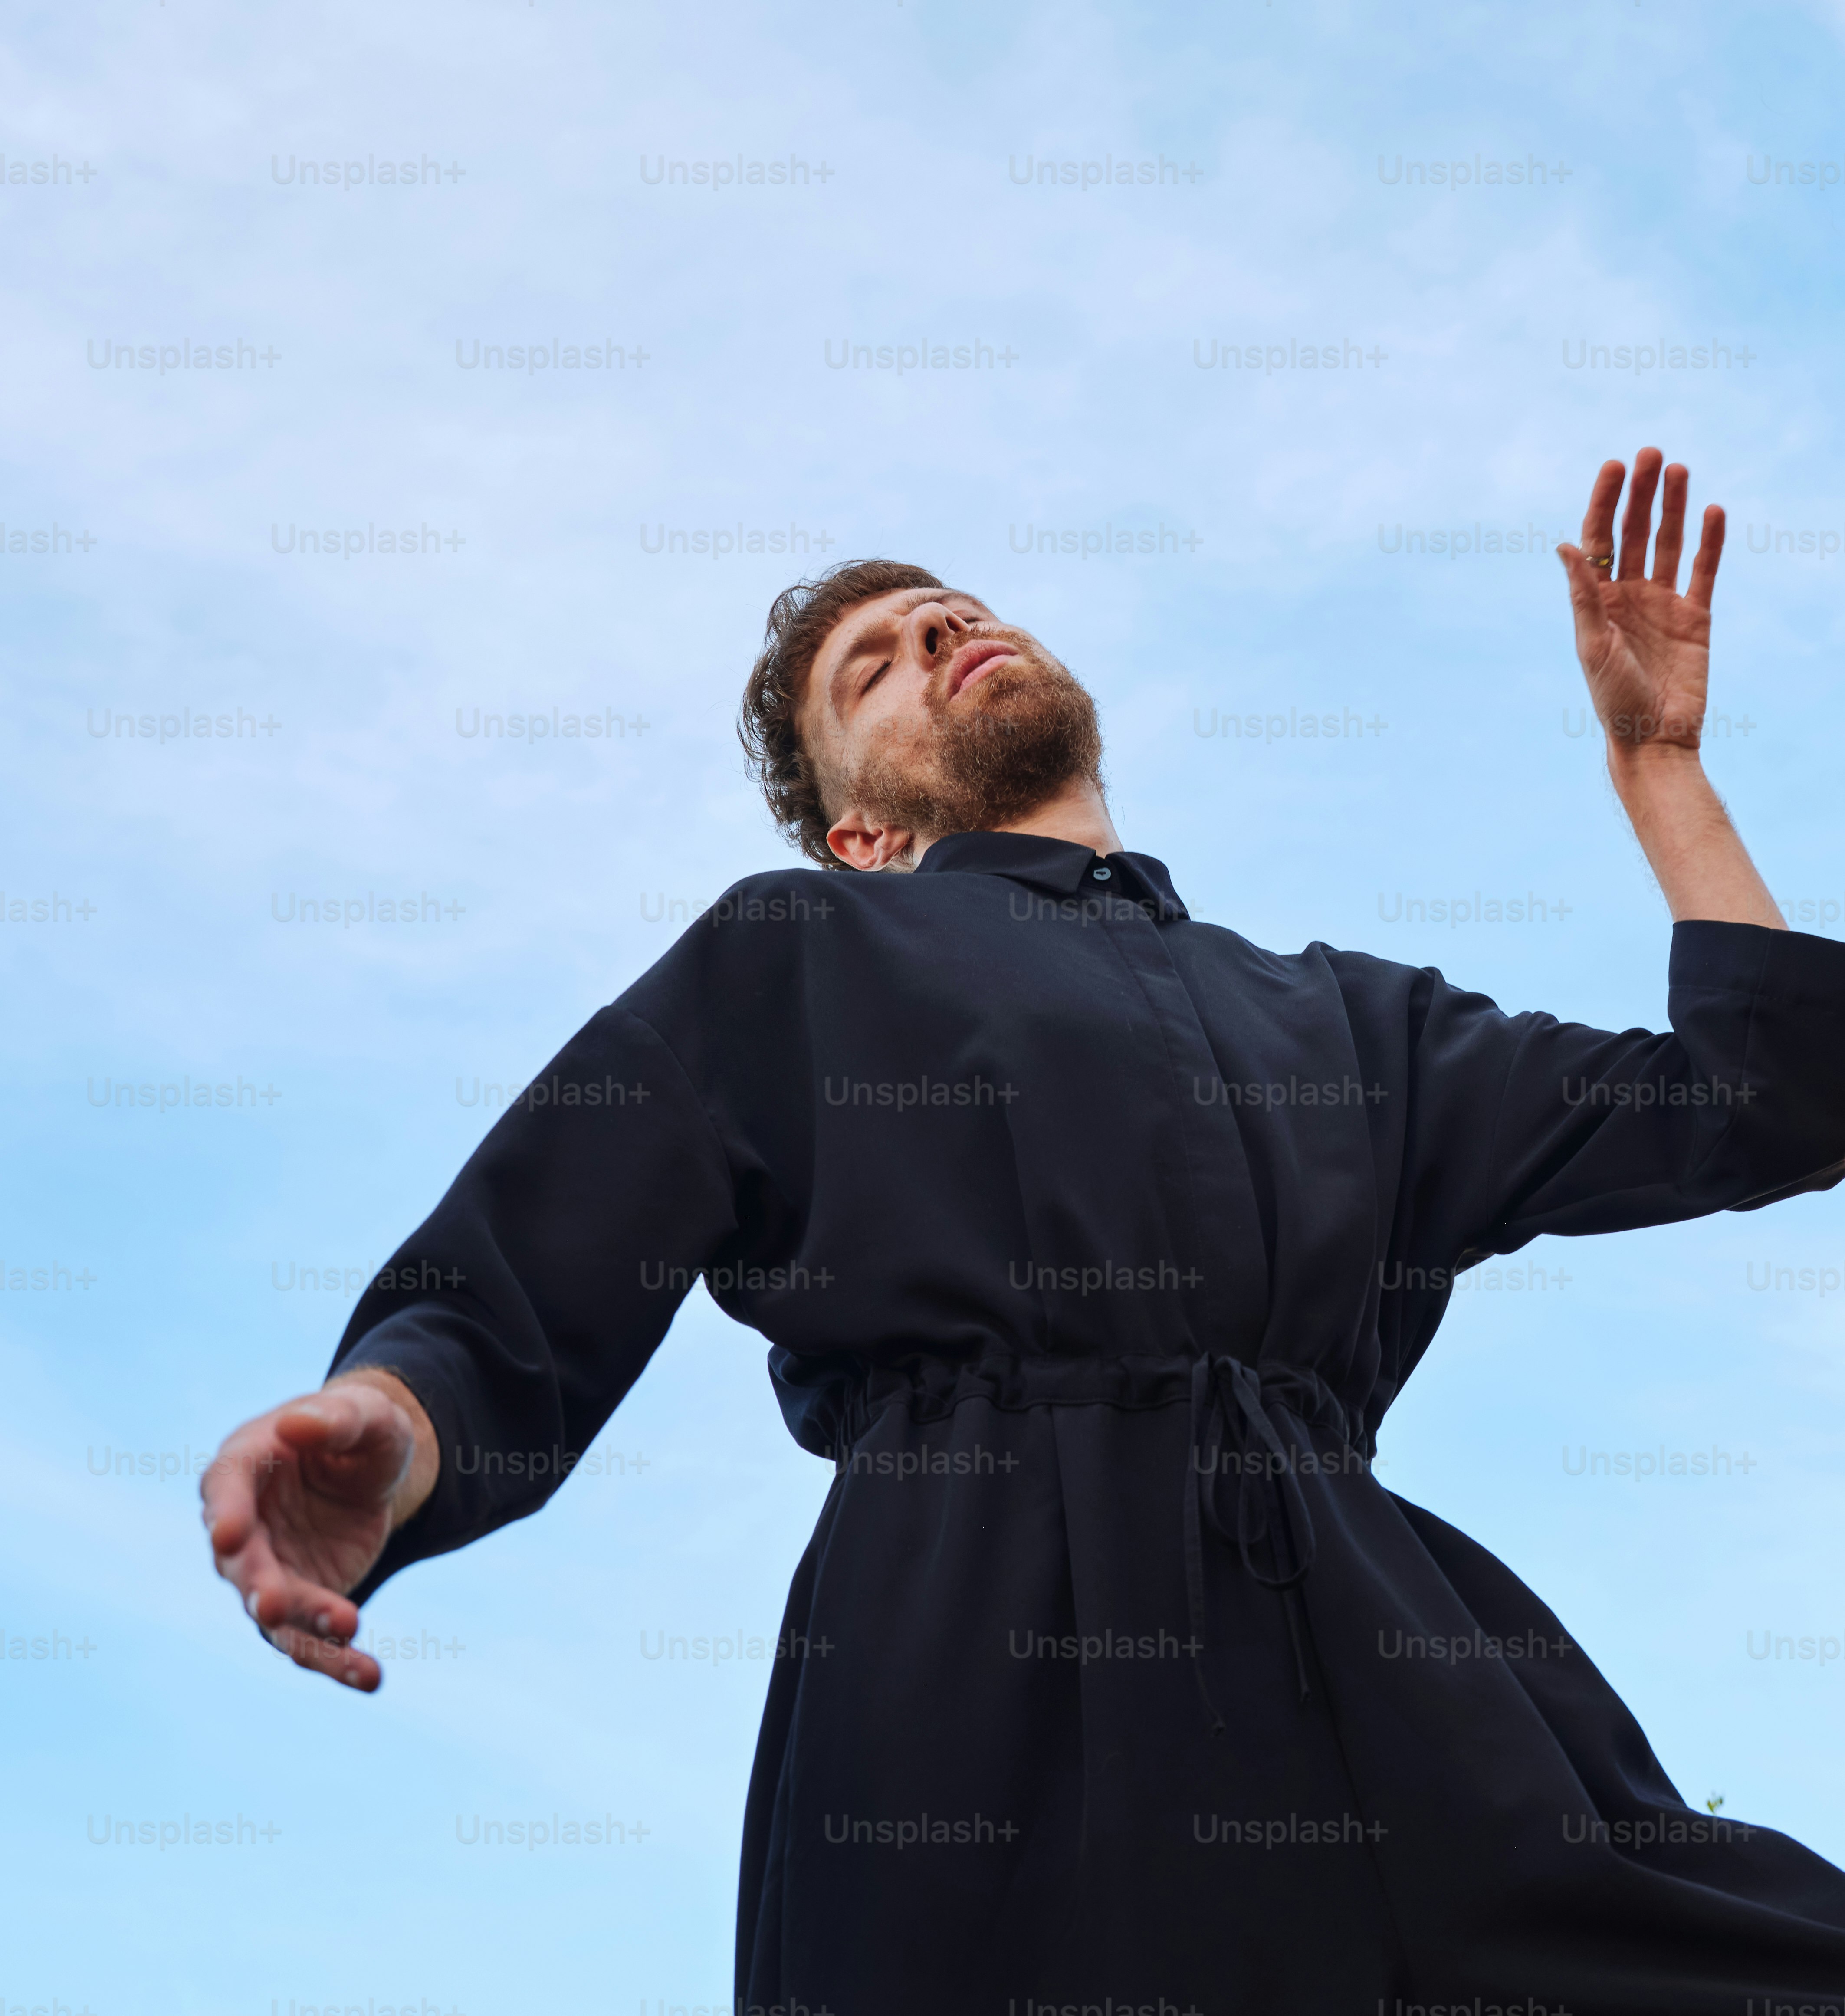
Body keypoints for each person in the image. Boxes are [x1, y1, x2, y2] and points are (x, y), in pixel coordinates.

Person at [204, 449, 1845, 2013]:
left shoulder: (1353, 1022)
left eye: (950, 609)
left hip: (1398, 1675)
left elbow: (1762, 1100)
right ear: (860, 834)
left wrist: (1658, 768)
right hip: (980, 1680)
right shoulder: (801, 953)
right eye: (874, 665)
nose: (936, 631)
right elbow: (554, 1238)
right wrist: (400, 1421)